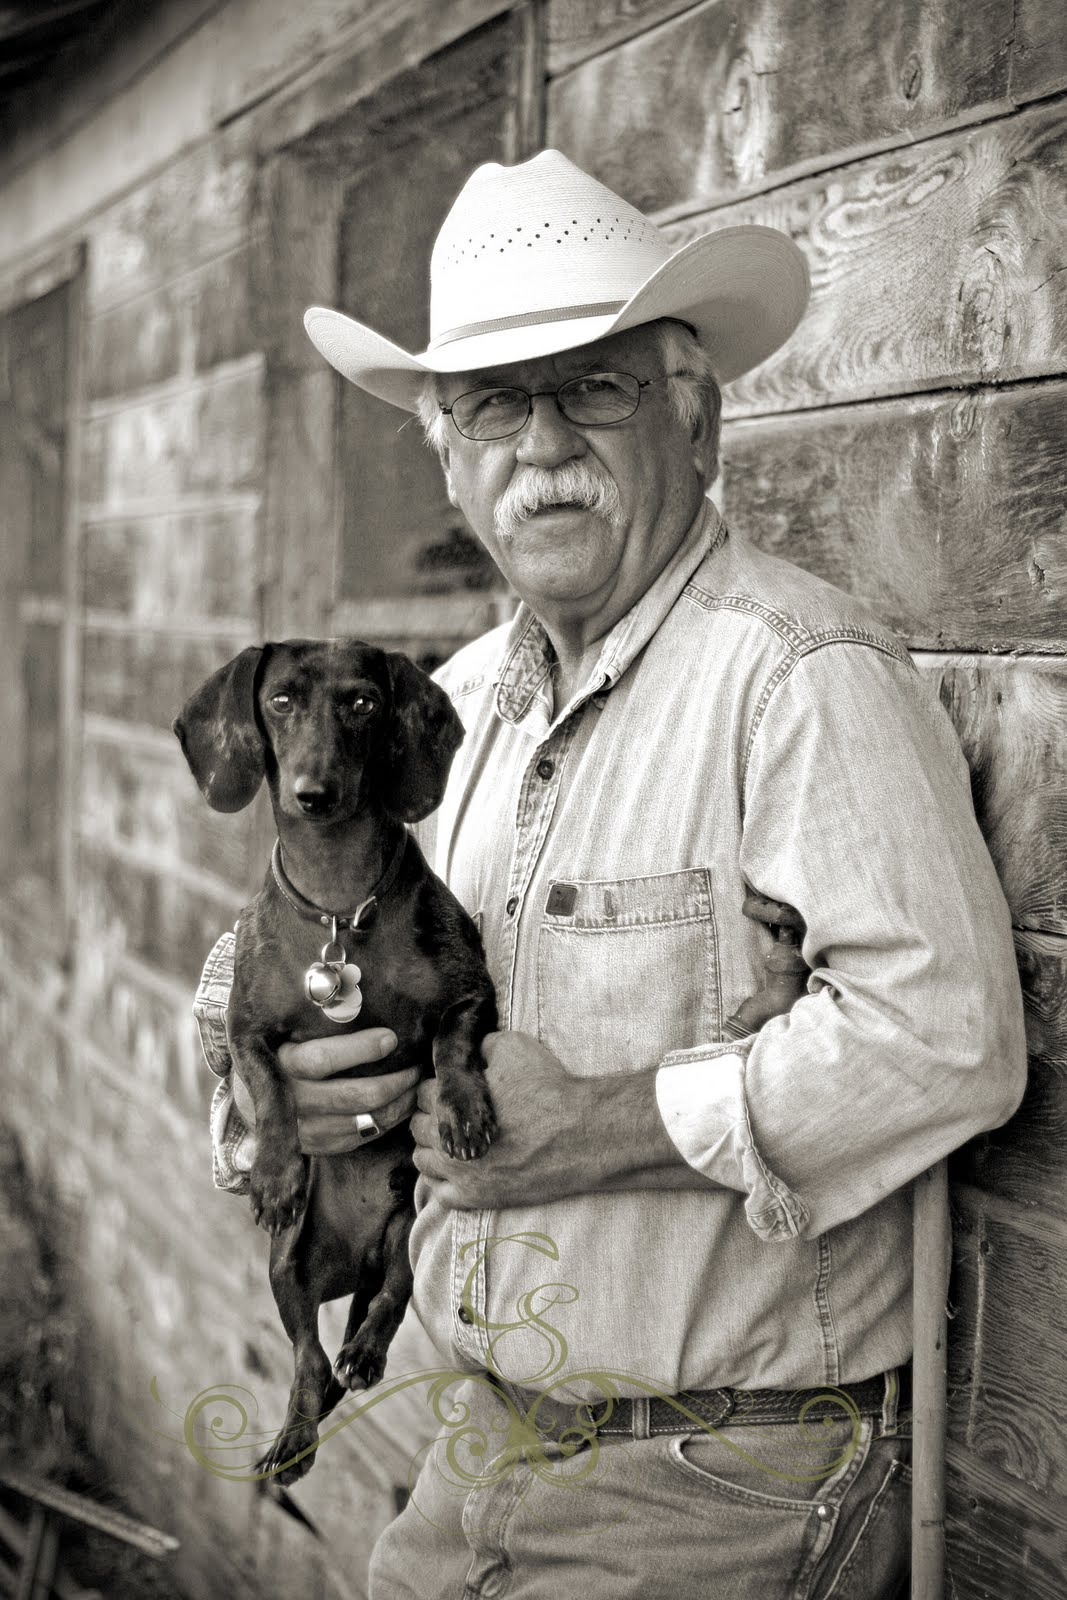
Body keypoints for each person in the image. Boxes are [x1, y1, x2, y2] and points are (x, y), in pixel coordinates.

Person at [198, 150, 1026, 1597]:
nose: (541, 446)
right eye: (493, 407)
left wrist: (611, 1118)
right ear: (449, 456)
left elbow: (950, 1038)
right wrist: (264, 1084)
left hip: (720, 1485)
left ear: (694, 417)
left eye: (592, 388)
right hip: (474, 1450)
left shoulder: (796, 678)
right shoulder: (448, 716)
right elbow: (270, 956)